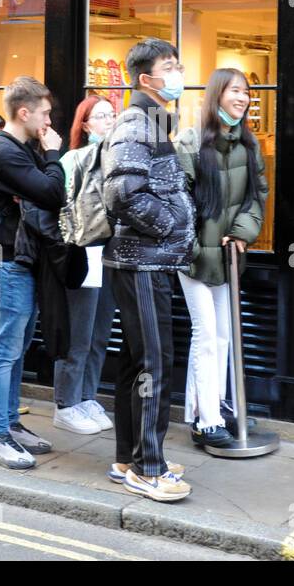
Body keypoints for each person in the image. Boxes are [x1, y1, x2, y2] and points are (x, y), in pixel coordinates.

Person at [101, 38, 196, 502]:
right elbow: (122, 193)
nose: (178, 74)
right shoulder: (136, 123)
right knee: (155, 363)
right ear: (146, 79)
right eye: (170, 67)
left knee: (137, 362)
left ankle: (129, 458)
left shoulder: (153, 121)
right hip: (142, 260)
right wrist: (170, 225)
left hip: (146, 259)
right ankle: (149, 469)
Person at [175, 68, 268, 449]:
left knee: (223, 335)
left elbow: (257, 195)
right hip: (196, 255)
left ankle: (212, 407)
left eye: (246, 92)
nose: (243, 98)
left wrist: (243, 232)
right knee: (206, 336)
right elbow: (178, 201)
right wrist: (194, 246)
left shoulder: (248, 143)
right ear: (217, 94)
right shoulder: (191, 140)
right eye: (235, 91)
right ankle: (208, 422)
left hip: (228, 256)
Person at [0, 77, 65, 469]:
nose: (49, 121)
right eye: (44, 113)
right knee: (4, 351)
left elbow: (45, 193)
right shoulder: (3, 152)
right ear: (24, 112)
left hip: (24, 261)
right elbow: (53, 193)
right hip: (8, 262)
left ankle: (11, 424)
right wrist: (53, 154)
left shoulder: (21, 149)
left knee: (17, 350)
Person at [51, 95, 118, 435]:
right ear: (86, 124)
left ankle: (87, 395)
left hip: (111, 254)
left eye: (112, 114)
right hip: (84, 252)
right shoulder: (72, 159)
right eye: (101, 116)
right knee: (79, 332)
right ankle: (66, 402)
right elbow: (62, 208)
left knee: (100, 331)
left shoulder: (118, 158)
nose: (109, 120)